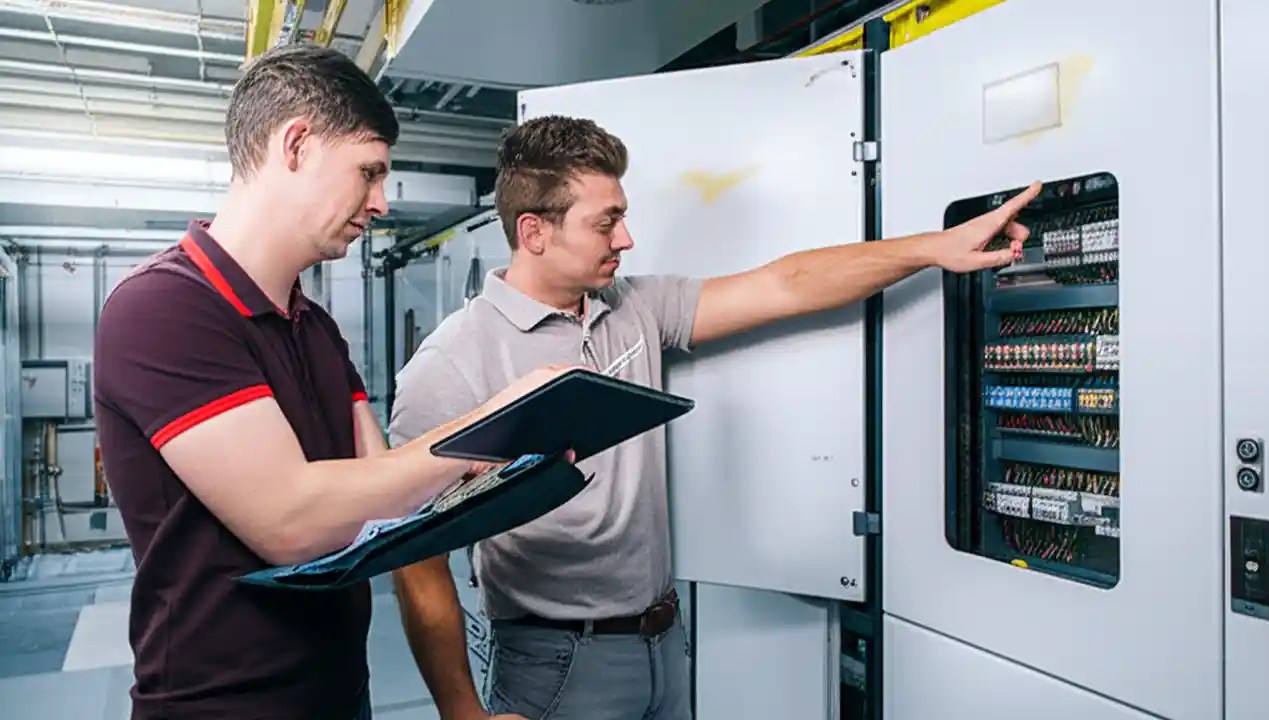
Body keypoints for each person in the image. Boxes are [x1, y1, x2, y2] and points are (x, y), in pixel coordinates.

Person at [387, 115, 1038, 720]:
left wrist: (935, 246)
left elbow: (787, 284)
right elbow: (417, 562)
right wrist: (463, 715)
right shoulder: (452, 363)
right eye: (605, 222)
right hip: (555, 664)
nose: (627, 238)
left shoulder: (634, 308)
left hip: (665, 642)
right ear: (534, 232)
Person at [93, 44, 554, 720]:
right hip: (218, 708)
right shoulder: (162, 309)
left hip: (338, 694)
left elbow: (387, 495)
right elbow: (292, 519)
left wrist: (531, 453)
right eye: (368, 172)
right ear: (297, 144)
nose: (381, 202)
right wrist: (490, 426)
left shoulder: (314, 328)